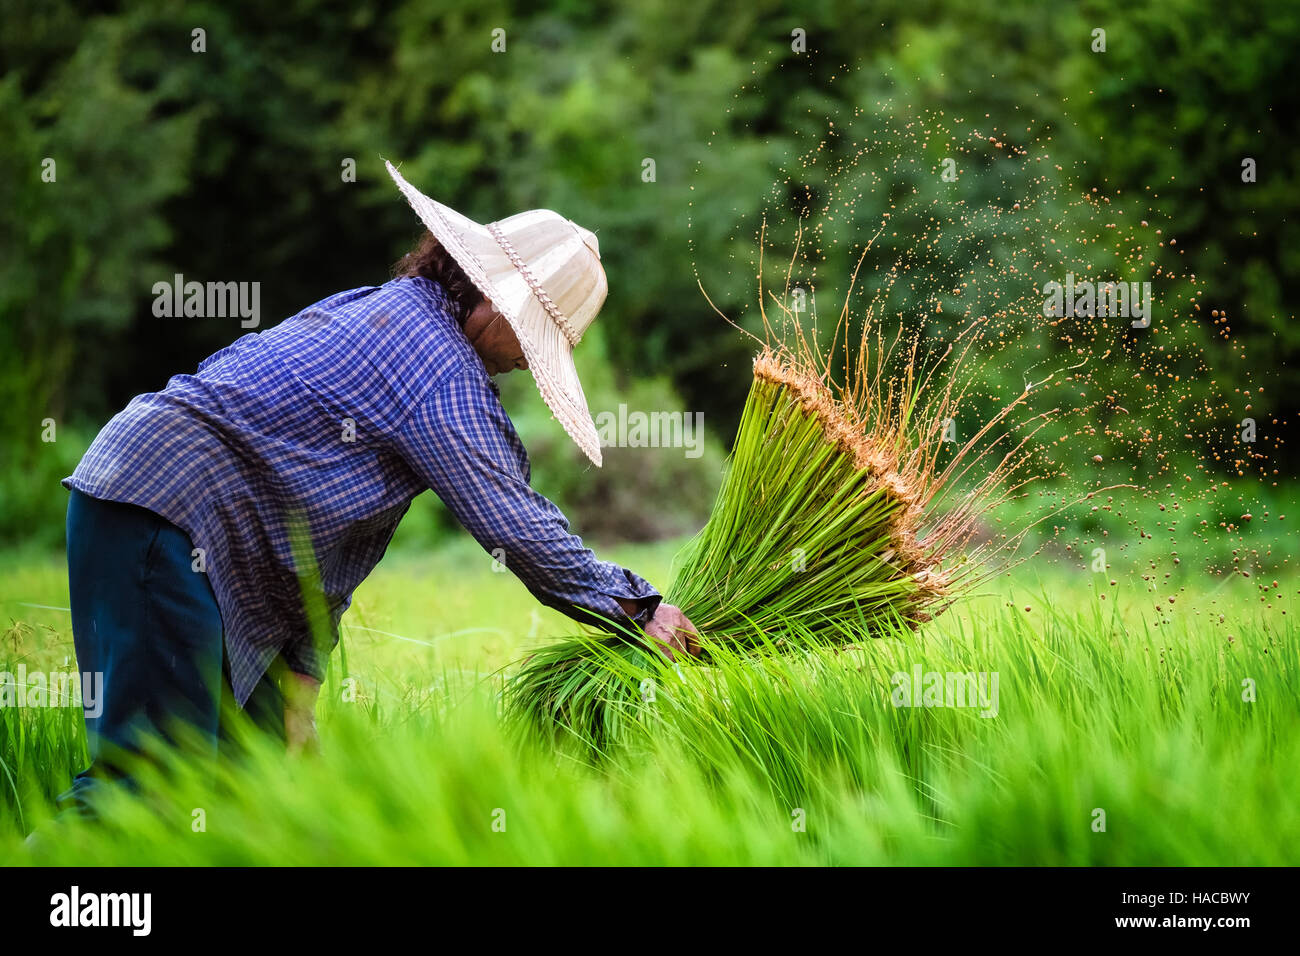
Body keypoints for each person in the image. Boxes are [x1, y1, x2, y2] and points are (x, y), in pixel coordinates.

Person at [56, 160, 701, 816]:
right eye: (529, 342)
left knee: (252, 795)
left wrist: (298, 691)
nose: (522, 363)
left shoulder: (397, 317)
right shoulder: (435, 367)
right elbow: (515, 523)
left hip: (173, 515)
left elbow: (331, 545)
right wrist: (637, 609)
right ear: (491, 295)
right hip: (163, 507)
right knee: (151, 789)